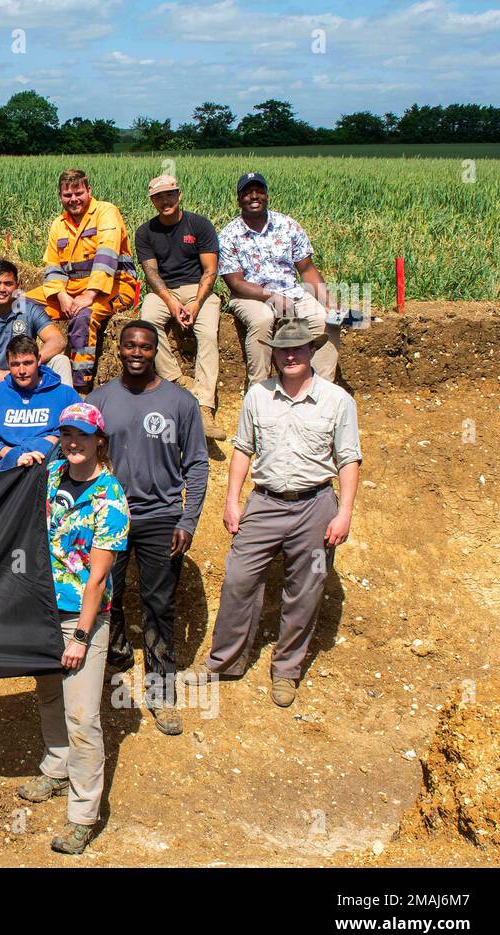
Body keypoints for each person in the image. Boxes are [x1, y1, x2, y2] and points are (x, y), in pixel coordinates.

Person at [183, 320, 361, 708]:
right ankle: (224, 661)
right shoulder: (258, 396)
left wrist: (344, 512)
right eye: (283, 349)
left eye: (298, 348)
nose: (291, 355)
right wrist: (233, 500)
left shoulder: (337, 401)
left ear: (312, 351)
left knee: (306, 589)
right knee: (239, 579)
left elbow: (348, 459)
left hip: (316, 504)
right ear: (275, 354)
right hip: (265, 503)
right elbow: (243, 449)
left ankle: (286, 670)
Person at [14, 403, 129, 855]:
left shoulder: (110, 497)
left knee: (83, 716)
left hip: (83, 618)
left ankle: (83, 815)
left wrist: (81, 636)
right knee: (48, 694)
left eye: (82, 435)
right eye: (67, 434)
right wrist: (20, 463)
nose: (73, 442)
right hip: (43, 610)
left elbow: (98, 578)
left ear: (99, 439)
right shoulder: (53, 475)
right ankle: (56, 768)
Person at [91, 321, 209, 735]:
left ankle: (162, 692)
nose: (137, 352)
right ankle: (117, 661)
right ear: (119, 350)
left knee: (159, 605)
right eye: (129, 346)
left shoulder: (180, 402)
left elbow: (196, 464)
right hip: (110, 515)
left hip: (161, 517)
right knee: (109, 595)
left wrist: (188, 518)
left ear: (155, 349)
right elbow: (76, 451)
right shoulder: (101, 399)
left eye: (144, 346)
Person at [218, 171, 341, 387]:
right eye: (247, 193)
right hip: (250, 296)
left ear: (266, 195)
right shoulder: (229, 235)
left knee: (326, 320)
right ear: (238, 200)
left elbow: (307, 269)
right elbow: (235, 283)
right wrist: (271, 296)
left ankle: (319, 388)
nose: (253, 196)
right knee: (263, 320)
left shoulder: (287, 225)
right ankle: (259, 389)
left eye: (259, 191)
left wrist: (329, 302)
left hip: (291, 291)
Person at [24, 169, 139, 393]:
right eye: (67, 195)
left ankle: (80, 386)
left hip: (114, 286)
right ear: (60, 196)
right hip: (72, 290)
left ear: (89, 191)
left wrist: (89, 296)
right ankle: (25, 366)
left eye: (78, 193)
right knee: (20, 305)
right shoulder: (59, 224)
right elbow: (53, 267)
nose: (73, 199)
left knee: (83, 317)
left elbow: (106, 255)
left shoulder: (106, 212)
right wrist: (62, 296)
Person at [0, 260, 70, 476]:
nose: (2, 289)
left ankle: (65, 430)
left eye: (8, 283)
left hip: (27, 375)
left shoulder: (27, 308)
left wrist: (32, 363)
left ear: (16, 285)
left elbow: (57, 340)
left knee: (61, 360)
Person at [133, 173, 226, 440]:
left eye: (169, 195)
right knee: (147, 322)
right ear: (152, 201)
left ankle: (205, 406)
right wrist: (172, 303)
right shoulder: (146, 232)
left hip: (200, 289)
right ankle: (177, 381)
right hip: (166, 291)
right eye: (159, 197)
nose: (165, 201)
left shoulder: (199, 225)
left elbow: (210, 271)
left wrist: (195, 305)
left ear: (179, 195)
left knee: (207, 334)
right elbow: (152, 274)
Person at [0, 334, 79, 474]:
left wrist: (43, 445)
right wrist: (10, 454)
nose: (22, 371)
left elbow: (78, 434)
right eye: (15, 364)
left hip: (53, 468)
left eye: (28, 363)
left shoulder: (66, 395)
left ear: (39, 360)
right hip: (6, 471)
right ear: (7, 363)